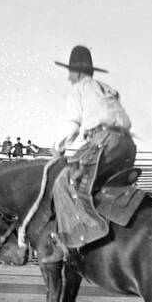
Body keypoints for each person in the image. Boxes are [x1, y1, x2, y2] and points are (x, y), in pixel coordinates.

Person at [42, 45, 136, 264]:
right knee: (101, 186)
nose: (68, 78)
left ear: (76, 72)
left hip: (105, 141)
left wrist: (58, 146)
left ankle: (81, 236)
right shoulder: (107, 88)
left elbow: (72, 124)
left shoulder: (79, 88)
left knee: (64, 180)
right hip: (127, 145)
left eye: (69, 72)